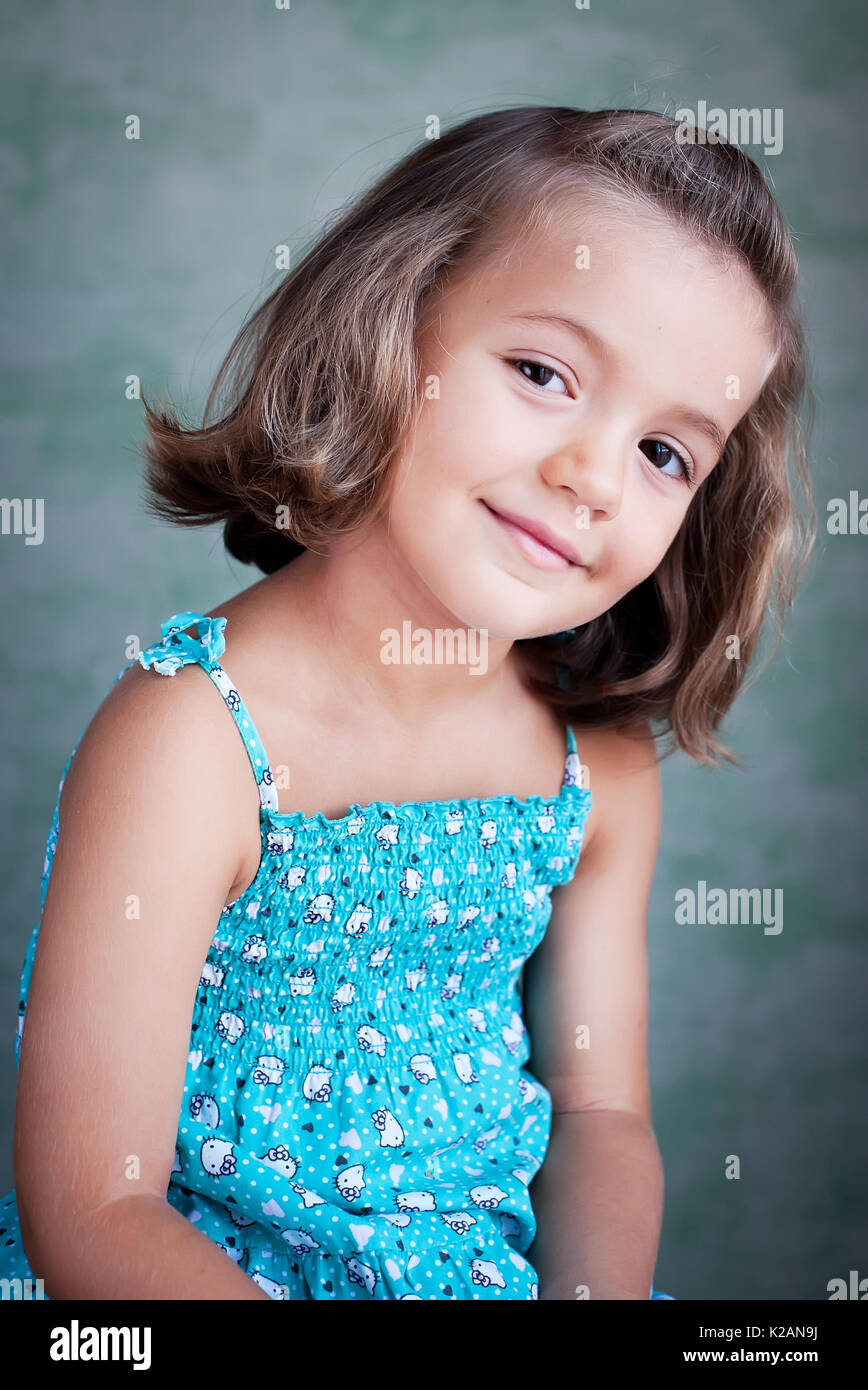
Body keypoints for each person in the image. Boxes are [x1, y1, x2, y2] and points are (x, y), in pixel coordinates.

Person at [0, 106, 814, 1300]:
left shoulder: (595, 770)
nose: (591, 476)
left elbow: (598, 1114)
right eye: (543, 374)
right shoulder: (192, 741)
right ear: (393, 322)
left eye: (663, 454)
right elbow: (91, 1210)